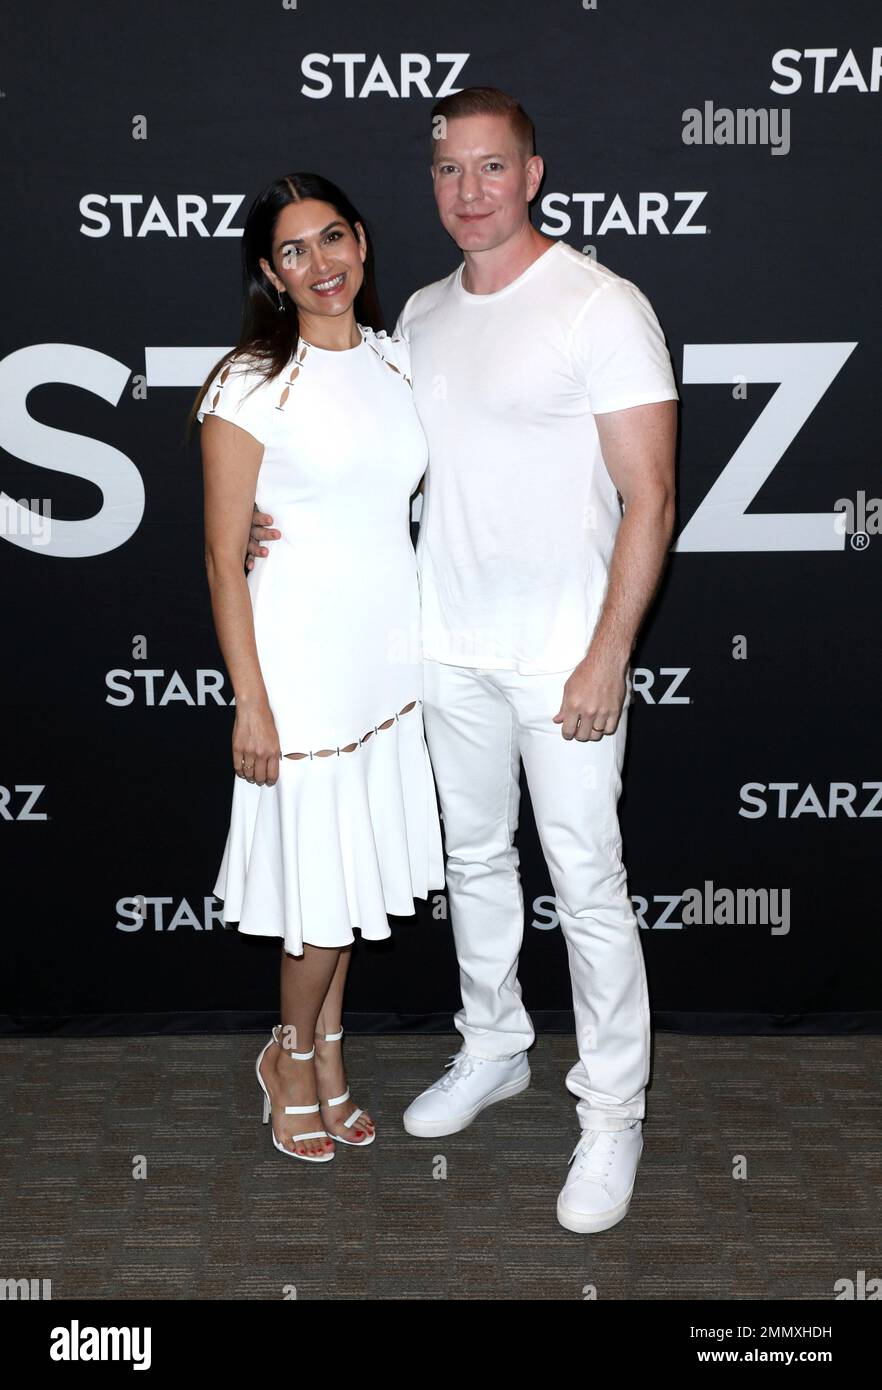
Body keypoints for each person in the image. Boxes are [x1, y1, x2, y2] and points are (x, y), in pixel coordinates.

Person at [248, 88, 679, 1231]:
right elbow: (346, 453)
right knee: (475, 859)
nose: (470, 192)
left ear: (532, 173)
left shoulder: (602, 304)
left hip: (563, 656)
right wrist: (257, 517)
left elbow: (653, 496)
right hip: (444, 649)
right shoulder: (422, 319)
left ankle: (613, 1108)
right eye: (449, 172)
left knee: (587, 880)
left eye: (492, 169)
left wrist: (608, 654)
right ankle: (494, 1045)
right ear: (429, 183)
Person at [192, 172, 445, 1163]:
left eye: (331, 238)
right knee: (319, 893)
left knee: (346, 881)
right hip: (298, 671)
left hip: (387, 665)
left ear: (363, 242)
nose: (320, 264)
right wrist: (250, 704)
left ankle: (329, 1054)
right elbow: (223, 557)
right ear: (270, 272)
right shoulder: (248, 382)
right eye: (294, 251)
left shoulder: (399, 361)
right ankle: (288, 1057)